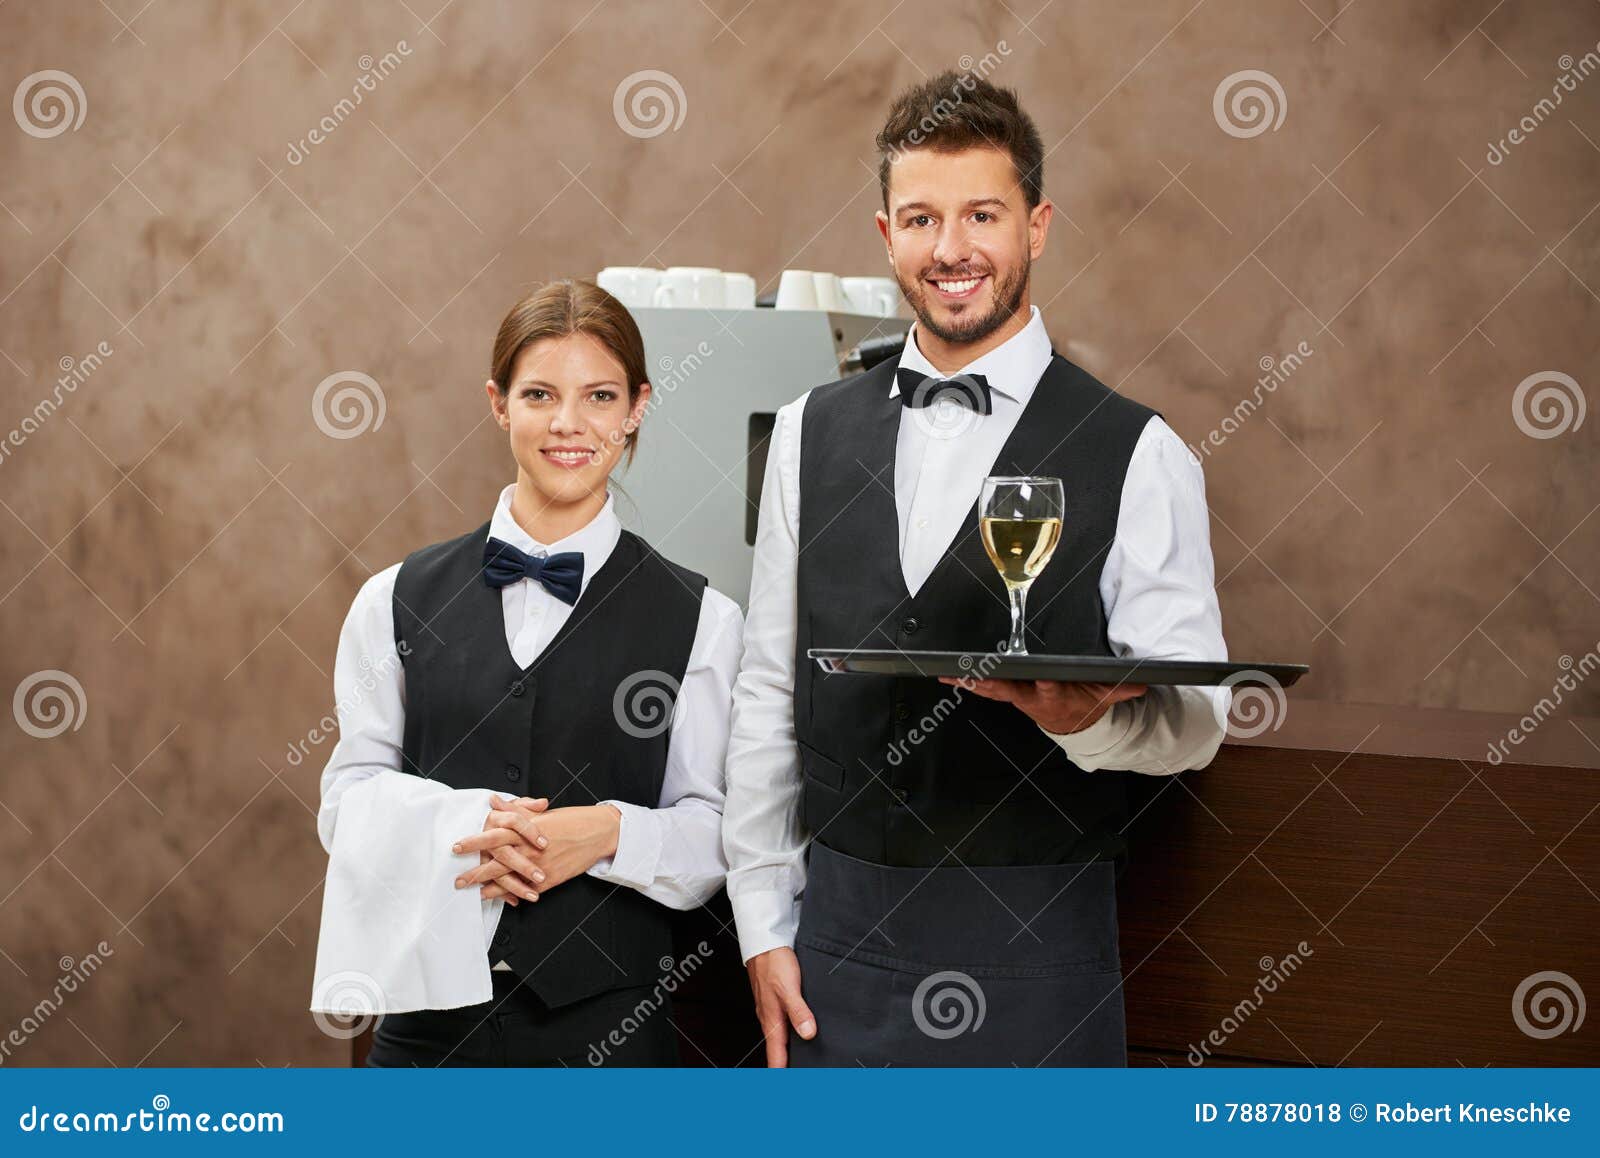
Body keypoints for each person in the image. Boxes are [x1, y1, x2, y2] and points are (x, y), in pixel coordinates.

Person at [723, 73, 1231, 1067]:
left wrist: (1095, 725)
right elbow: (767, 689)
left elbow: (1195, 721)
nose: (950, 249)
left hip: (1035, 946)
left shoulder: (1139, 451)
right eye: (921, 217)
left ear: (1036, 226)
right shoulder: (801, 435)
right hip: (838, 945)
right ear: (885, 235)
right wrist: (762, 920)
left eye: (981, 214)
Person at [315, 280, 744, 1066]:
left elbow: (718, 834)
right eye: (540, 393)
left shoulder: (705, 620)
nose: (569, 423)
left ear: (637, 407)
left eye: (600, 396)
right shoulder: (392, 601)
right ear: (499, 403)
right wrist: (465, 823)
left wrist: (607, 833)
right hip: (425, 1031)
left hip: (611, 1040)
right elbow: (345, 803)